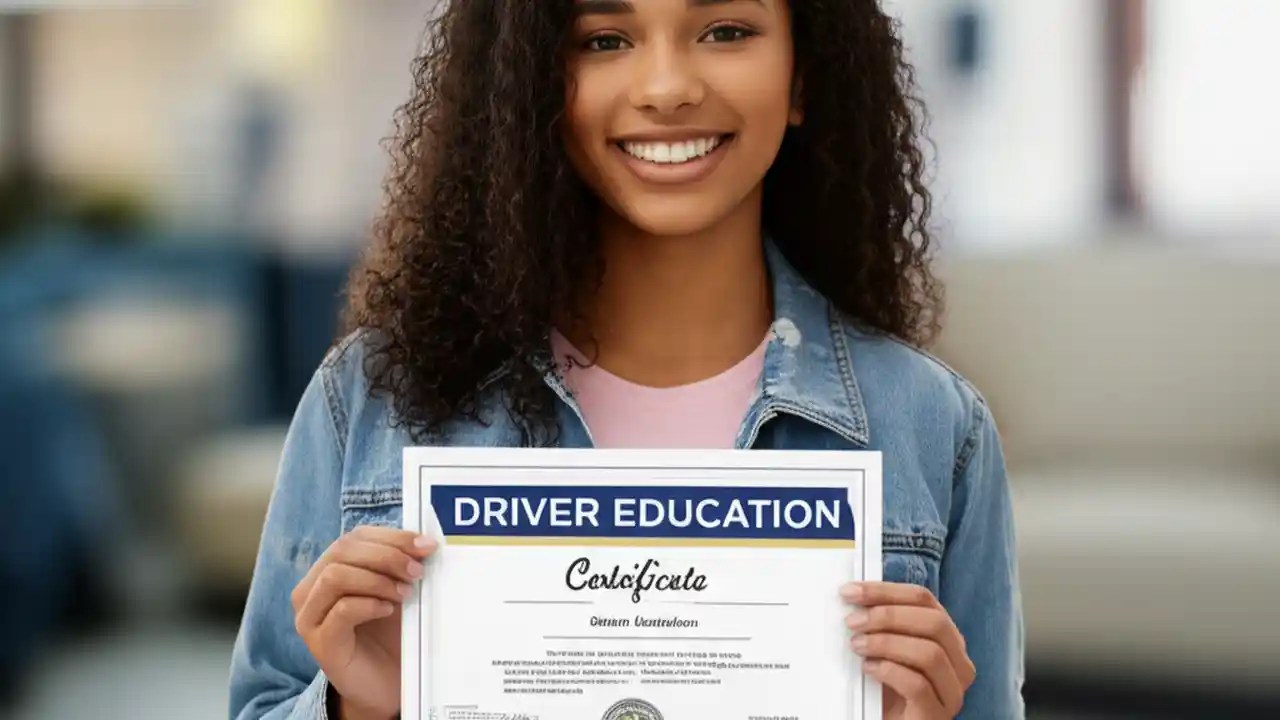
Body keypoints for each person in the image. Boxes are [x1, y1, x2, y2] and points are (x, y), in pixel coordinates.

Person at [228, 0, 1024, 718]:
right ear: (532, 84)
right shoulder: (368, 396)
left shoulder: (935, 428)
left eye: (726, 31)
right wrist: (361, 710)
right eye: (605, 40)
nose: (668, 86)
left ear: (802, 77)